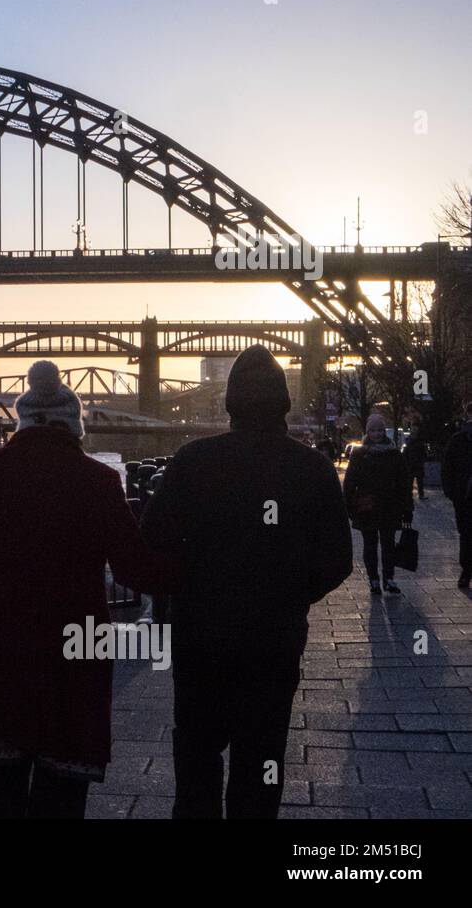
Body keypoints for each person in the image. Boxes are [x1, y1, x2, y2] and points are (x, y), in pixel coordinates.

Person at [0, 360, 171, 819]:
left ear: (21, 422)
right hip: (73, 656)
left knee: (2, 788)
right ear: (74, 426)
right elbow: (132, 567)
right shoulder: (98, 481)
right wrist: (192, 568)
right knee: (62, 792)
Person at [140, 344, 352, 819]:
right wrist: (293, 592)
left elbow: (152, 537)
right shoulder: (312, 468)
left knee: (197, 757)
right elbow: (338, 559)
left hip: (201, 639)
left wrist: (190, 584)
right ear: (284, 404)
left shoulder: (194, 460)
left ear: (230, 403)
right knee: (261, 761)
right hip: (273, 643)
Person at [344, 414, 413, 594]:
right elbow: (350, 481)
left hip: (390, 506)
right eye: (373, 430)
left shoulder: (394, 453)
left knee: (388, 544)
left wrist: (407, 507)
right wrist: (349, 505)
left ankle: (388, 578)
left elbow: (403, 482)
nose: (376, 433)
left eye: (380, 430)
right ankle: (374, 579)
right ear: (367, 432)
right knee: (370, 544)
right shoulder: (359, 453)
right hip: (367, 506)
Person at [442, 401, 472, 590]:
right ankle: (466, 570)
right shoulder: (458, 440)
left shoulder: (458, 439)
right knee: (466, 533)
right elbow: (447, 468)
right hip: (464, 495)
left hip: (462, 493)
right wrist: (452, 492)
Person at [402, 432, 428, 500]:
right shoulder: (420, 444)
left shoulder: (409, 444)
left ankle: (410, 495)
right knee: (418, 481)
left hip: (412, 465)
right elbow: (424, 454)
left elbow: (404, 455)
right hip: (416, 465)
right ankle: (419, 495)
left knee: (412, 481)